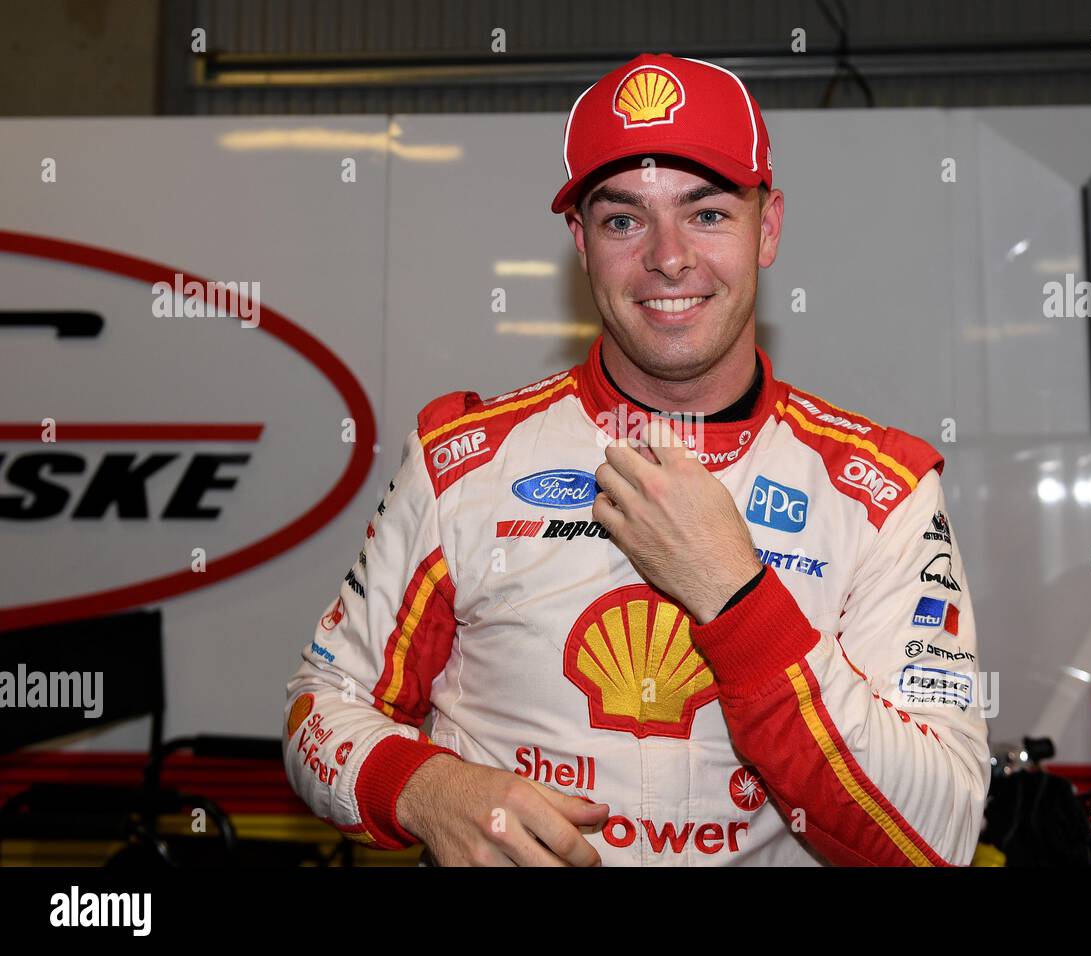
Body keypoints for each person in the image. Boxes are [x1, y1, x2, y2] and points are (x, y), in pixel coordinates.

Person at [284, 52, 989, 866]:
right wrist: (426, 787)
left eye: (708, 213)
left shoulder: (883, 495)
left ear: (770, 227)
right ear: (581, 243)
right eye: (624, 220)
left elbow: (937, 837)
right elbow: (319, 708)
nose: (668, 257)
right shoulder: (462, 465)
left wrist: (736, 595)